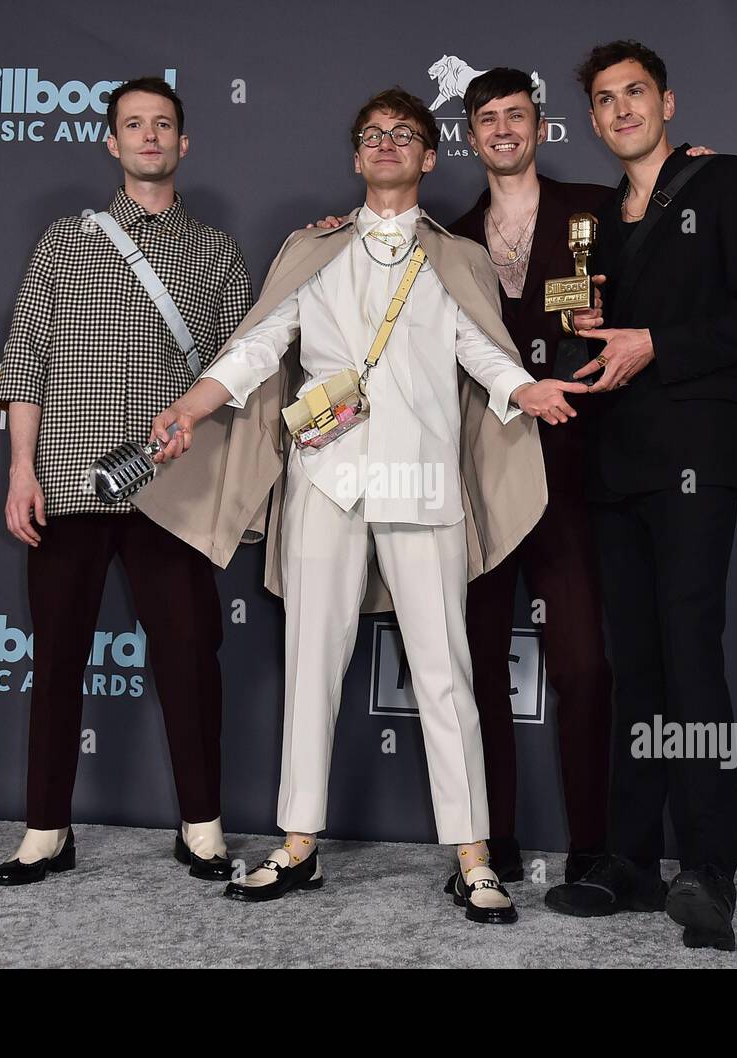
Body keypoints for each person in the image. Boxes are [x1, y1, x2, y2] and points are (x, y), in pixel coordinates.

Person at [139, 87, 585, 924]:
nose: (387, 145)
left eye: (405, 135)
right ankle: (298, 845)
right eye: (373, 135)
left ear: (428, 157)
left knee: (447, 673)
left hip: (423, 485)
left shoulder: (458, 258)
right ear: (356, 156)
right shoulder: (313, 251)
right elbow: (258, 347)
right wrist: (193, 406)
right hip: (325, 483)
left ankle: (474, 858)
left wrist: (529, 389)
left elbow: (483, 354)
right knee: (311, 665)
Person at [542, 42, 737, 952]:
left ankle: (710, 872)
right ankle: (632, 864)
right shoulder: (603, 215)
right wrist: (599, 336)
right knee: (634, 666)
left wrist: (656, 343)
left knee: (691, 659)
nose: (619, 111)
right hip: (619, 463)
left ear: (667, 102)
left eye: (633, 94)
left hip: (697, 456)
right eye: (604, 101)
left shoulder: (725, 181)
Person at [448, 69, 714, 884]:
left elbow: (669, 252)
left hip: (583, 468)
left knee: (586, 666)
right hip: (484, 473)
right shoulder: (449, 238)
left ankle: (595, 850)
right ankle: (487, 847)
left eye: (516, 116)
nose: (502, 130)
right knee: (477, 665)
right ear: (469, 136)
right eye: (486, 119)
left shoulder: (601, 208)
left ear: (541, 126)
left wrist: (681, 173)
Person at [0, 77, 252, 886]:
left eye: (162, 124)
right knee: (59, 657)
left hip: (170, 490)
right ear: (111, 142)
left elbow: (239, 371)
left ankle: (202, 826)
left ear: (183, 143)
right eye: (132, 124)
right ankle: (45, 831)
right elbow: (24, 357)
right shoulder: (65, 241)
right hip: (66, 483)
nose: (147, 136)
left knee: (189, 659)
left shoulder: (217, 252)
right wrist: (20, 468)